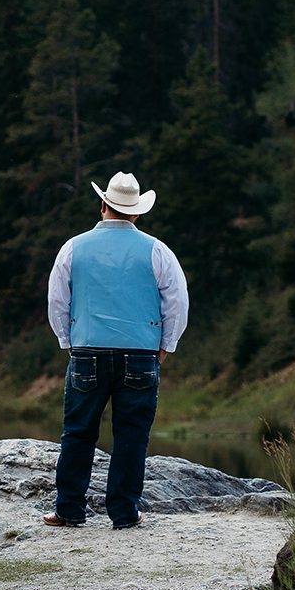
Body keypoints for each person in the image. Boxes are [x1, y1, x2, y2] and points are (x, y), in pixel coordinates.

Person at [42, 172, 190, 529]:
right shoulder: (157, 250)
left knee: (78, 431)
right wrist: (165, 346)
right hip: (140, 354)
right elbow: (177, 303)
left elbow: (57, 301)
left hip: (87, 350)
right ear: (137, 213)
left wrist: (68, 341)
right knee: (131, 433)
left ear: (103, 205)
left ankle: (70, 509)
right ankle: (124, 513)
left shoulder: (73, 247)